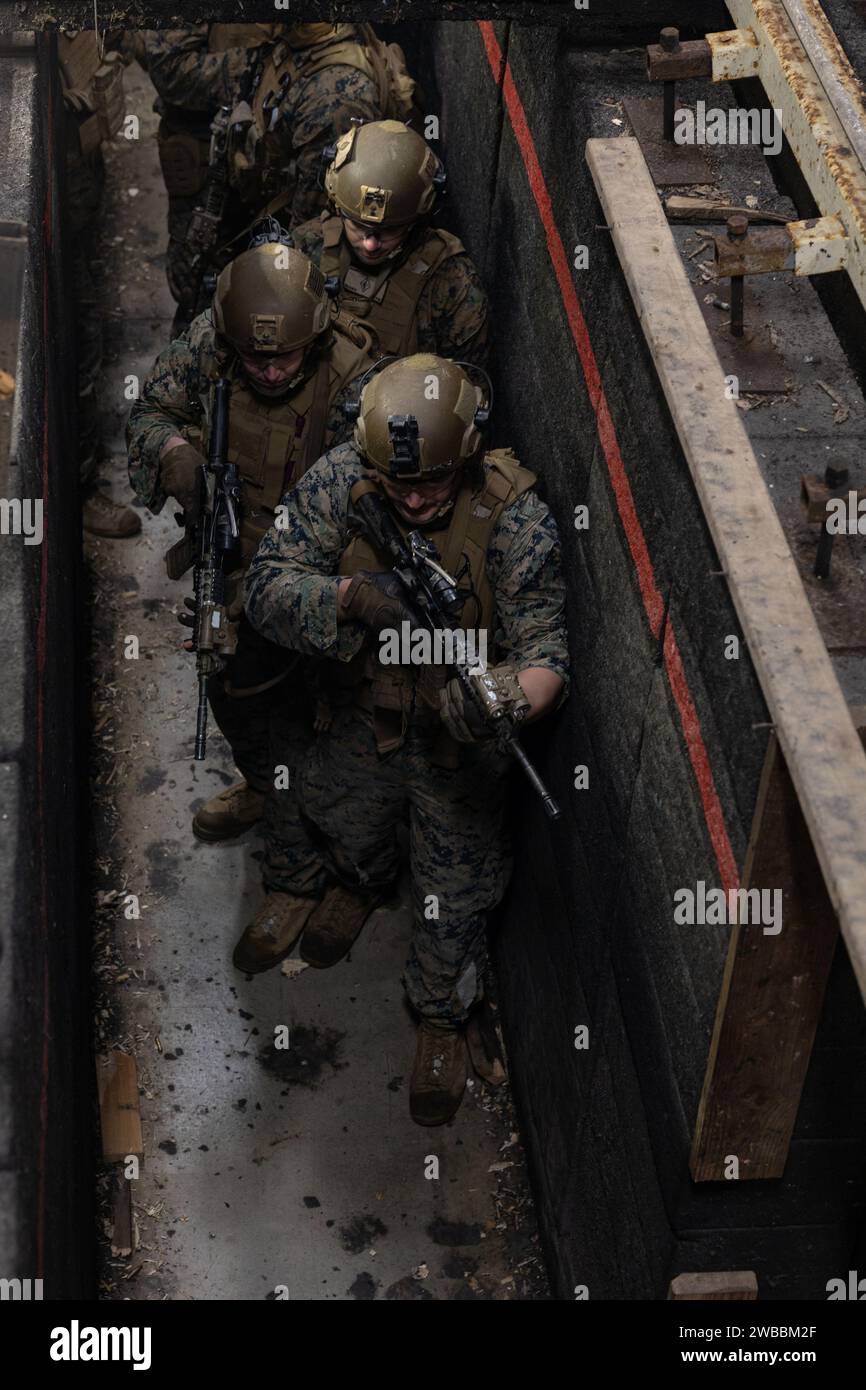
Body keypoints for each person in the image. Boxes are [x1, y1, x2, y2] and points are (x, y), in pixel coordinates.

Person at [244, 354, 569, 1126]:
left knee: (452, 898)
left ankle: (439, 1015)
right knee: (344, 817)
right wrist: (351, 598)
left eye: (433, 484)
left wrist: (496, 697)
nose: (416, 500)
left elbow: (548, 658)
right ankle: (354, 887)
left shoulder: (516, 521)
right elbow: (264, 587)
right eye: (401, 487)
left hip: (459, 743)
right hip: (366, 708)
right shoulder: (347, 479)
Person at [126, 237, 378, 957]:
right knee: (233, 693)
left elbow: (381, 497)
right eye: (256, 358)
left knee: (331, 733)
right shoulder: (215, 343)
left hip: (320, 577)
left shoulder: (354, 378)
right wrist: (175, 455)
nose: (270, 371)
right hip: (232, 561)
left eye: (285, 358)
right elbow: (149, 414)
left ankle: (319, 877)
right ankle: (269, 792)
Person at [285, 118, 490, 366]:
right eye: (358, 225)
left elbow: (465, 389)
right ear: (338, 208)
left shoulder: (452, 283)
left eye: (390, 230)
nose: (371, 244)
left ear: (417, 220)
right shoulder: (306, 248)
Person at [59, 27, 141, 537]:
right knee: (81, 340)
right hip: (56, 213)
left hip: (78, 197)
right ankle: (83, 489)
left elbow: (124, 38)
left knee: (86, 332)